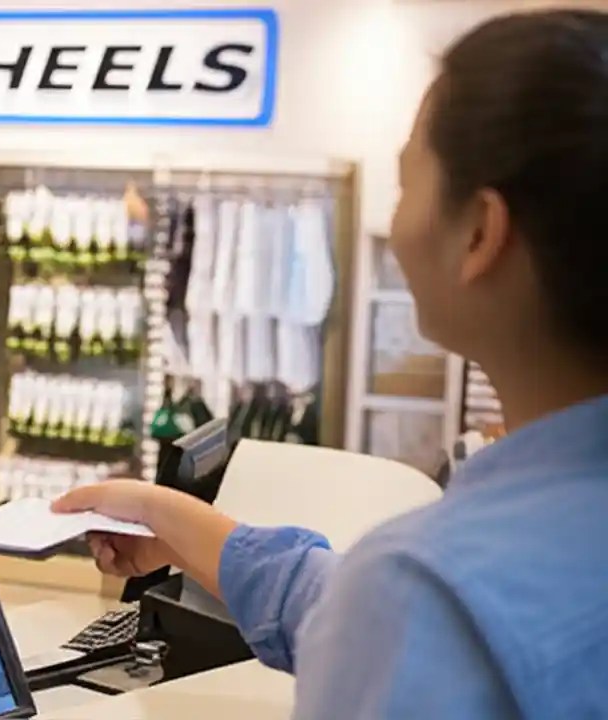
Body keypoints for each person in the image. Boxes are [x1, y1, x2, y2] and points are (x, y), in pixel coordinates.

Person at [54, 9, 608, 718]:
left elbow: (399, 622)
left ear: (479, 233)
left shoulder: (426, 595)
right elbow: (339, 602)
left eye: (407, 183)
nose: (396, 224)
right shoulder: (445, 589)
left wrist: (381, 600)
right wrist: (170, 517)